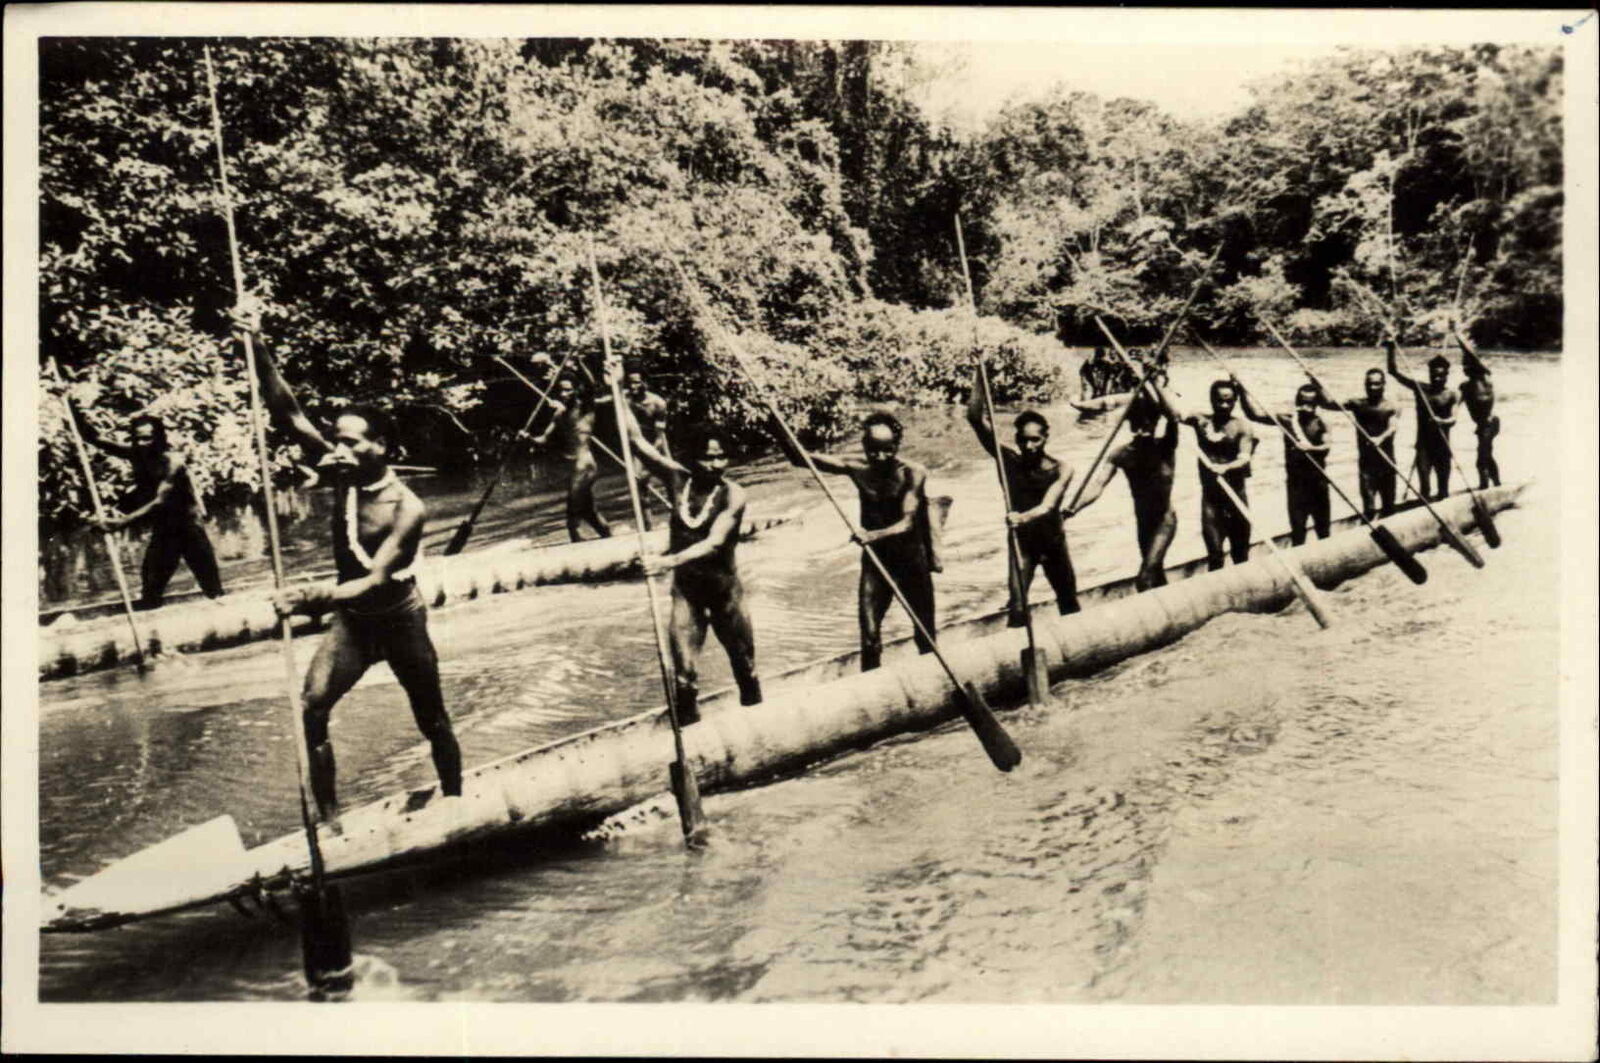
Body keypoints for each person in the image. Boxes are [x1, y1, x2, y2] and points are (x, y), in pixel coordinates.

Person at [240, 316, 462, 823]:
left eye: (354, 443)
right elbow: (288, 413)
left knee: (432, 720)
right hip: (355, 625)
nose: (339, 450)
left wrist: (305, 597)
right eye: (337, 440)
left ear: (381, 447)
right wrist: (256, 343)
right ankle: (331, 820)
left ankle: (455, 803)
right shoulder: (341, 472)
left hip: (399, 621)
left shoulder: (408, 509)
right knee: (313, 707)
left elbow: (374, 580)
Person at [622, 398, 762, 724]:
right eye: (708, 457)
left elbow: (714, 543)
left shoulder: (733, 495)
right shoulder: (677, 480)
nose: (716, 464)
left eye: (721, 456)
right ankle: (693, 740)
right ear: (691, 458)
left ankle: (758, 729)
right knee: (684, 678)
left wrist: (666, 562)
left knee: (746, 669)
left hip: (726, 596)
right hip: (687, 595)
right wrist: (617, 386)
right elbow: (636, 442)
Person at [778, 410, 937, 672]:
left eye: (887, 450)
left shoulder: (913, 473)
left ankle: (936, 683)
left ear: (896, 446)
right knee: (870, 639)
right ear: (865, 447)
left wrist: (871, 535)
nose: (881, 457)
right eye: (873, 450)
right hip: (876, 563)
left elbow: (907, 523)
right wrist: (774, 425)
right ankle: (871, 691)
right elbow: (799, 459)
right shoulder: (856, 468)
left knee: (924, 635)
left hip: (911, 563)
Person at [75, 410, 227, 610]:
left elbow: (160, 501)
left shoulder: (173, 462)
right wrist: (70, 404)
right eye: (137, 439)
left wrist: (119, 523)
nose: (141, 444)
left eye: (147, 439)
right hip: (165, 532)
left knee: (213, 590)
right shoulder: (136, 454)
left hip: (189, 531)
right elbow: (93, 437)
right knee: (151, 591)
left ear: (159, 439)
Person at [965, 368, 1080, 622]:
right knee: (1017, 608)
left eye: (1035, 440)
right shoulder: (1008, 460)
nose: (1029, 447)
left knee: (1068, 601)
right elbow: (974, 416)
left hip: (1053, 543)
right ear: (1016, 438)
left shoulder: (1062, 469)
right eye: (1024, 440)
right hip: (1022, 544)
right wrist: (980, 374)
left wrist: (1022, 517)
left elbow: (1048, 506)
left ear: (1045, 438)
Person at [1067, 388, 1180, 590]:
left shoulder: (1165, 446)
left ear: (1155, 424)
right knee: (1156, 572)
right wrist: (1072, 509)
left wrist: (1152, 381)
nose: (1143, 431)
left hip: (1165, 522)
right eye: (1137, 425)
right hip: (1143, 523)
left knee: (1145, 579)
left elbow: (1174, 417)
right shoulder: (1121, 454)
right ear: (1129, 424)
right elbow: (1097, 485)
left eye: (1148, 425)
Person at [1153, 375, 1258, 570]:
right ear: (1212, 400)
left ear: (1235, 401)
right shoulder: (1199, 420)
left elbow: (1245, 458)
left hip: (1236, 498)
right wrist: (1157, 385)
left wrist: (1225, 467)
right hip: (1211, 501)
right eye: (1220, 400)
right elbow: (1173, 414)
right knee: (1215, 556)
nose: (1225, 405)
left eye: (1229, 401)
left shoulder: (1243, 427)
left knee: (1240, 555)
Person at [1238, 381, 1333, 545]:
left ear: (1316, 405)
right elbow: (1253, 415)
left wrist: (1310, 448)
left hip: (1319, 485)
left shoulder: (1321, 423)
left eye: (1310, 403)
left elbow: (1326, 447)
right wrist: (1241, 390)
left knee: (1323, 531)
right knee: (1298, 532)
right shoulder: (1286, 420)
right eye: (1302, 402)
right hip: (1296, 487)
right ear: (1296, 403)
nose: (1306, 407)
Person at [526, 374, 612, 541]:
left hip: (585, 465)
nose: (564, 394)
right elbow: (543, 439)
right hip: (573, 466)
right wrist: (528, 437)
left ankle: (576, 545)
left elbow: (590, 386)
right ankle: (608, 537)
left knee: (572, 510)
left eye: (568, 390)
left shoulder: (585, 408)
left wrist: (578, 363)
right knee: (588, 511)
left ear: (576, 390)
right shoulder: (559, 414)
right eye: (561, 391)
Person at [1317, 366, 1401, 518]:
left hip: (1387, 463)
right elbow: (1328, 403)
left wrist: (1380, 438)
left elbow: (1393, 427)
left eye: (1376, 384)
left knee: (1389, 507)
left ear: (1383, 385)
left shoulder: (1392, 406)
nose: (1372, 387)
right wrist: (1316, 382)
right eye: (1369, 384)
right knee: (1368, 508)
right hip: (1367, 466)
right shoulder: (1357, 404)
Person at [1387, 337, 1459, 501]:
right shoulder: (1420, 389)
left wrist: (1440, 421)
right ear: (1429, 373)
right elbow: (1393, 371)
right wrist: (1391, 348)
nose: (1437, 378)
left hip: (1443, 446)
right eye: (1434, 374)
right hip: (1423, 447)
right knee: (1424, 489)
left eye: (1441, 375)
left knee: (1443, 490)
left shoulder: (1452, 395)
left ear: (1447, 375)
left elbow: (1453, 420)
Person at [1453, 327, 1499, 488]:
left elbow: (1471, 355)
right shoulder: (1464, 386)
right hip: (1481, 426)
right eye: (1463, 365)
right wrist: (1450, 418)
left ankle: (1484, 488)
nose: (1464, 368)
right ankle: (1497, 484)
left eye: (1467, 364)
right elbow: (1456, 404)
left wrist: (1457, 335)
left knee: (1481, 460)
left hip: (1491, 423)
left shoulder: (1485, 379)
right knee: (1487, 455)